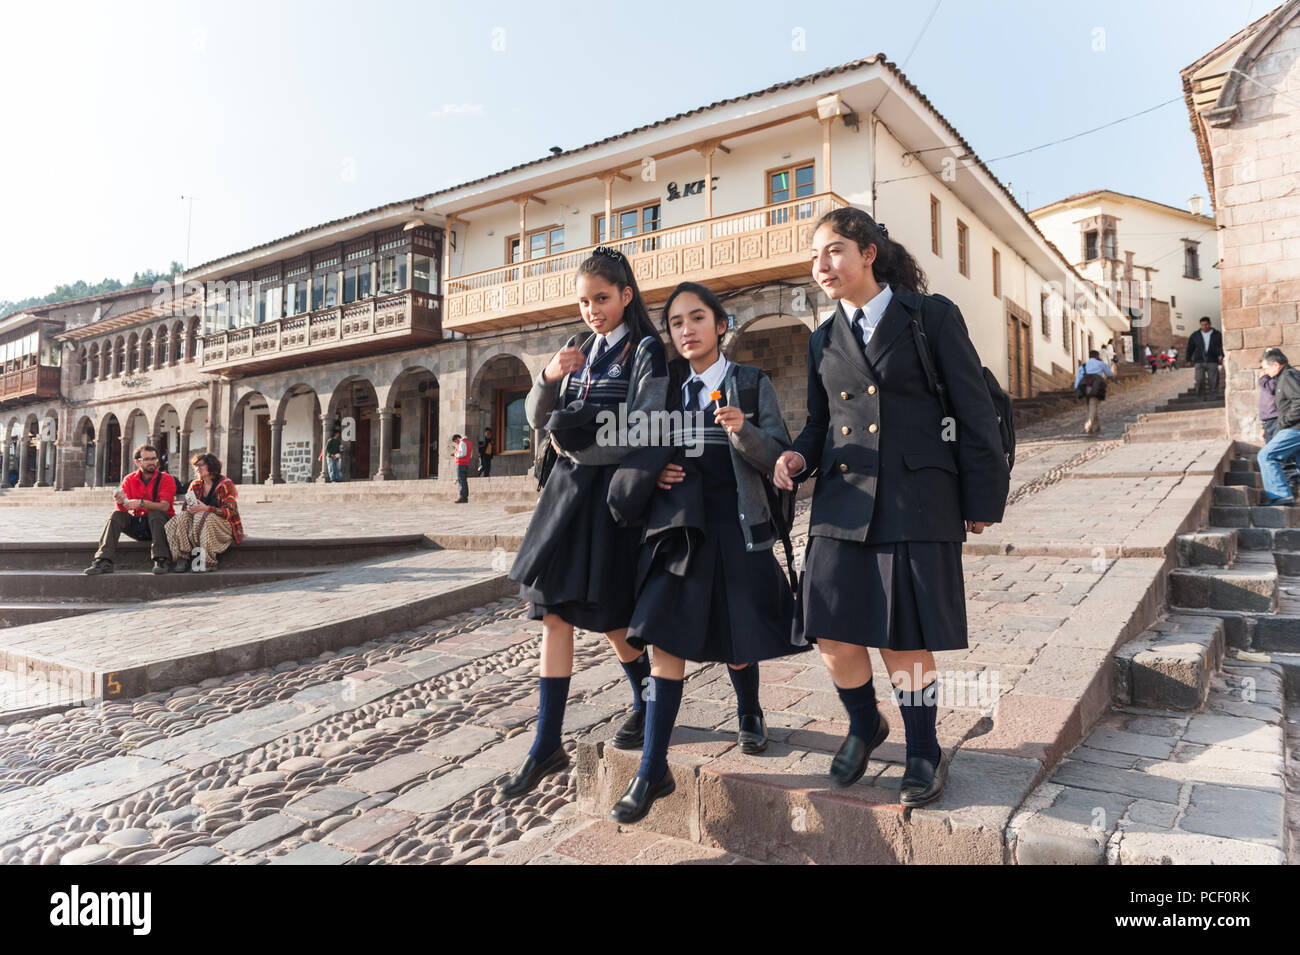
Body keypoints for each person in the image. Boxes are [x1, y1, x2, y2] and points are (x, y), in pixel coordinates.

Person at [772, 208, 1009, 808]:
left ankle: (923, 749)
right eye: (815, 256)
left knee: (903, 636)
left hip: (914, 497)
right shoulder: (822, 337)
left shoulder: (930, 317)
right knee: (827, 629)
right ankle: (864, 722)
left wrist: (981, 495)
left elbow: (975, 409)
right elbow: (821, 424)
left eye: (833, 252)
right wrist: (798, 459)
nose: (821, 265)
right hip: (843, 503)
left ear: (868, 253)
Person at [606, 281, 805, 822]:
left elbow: (782, 459)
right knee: (665, 640)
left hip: (737, 529)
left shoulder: (750, 381)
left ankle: (750, 709)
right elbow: (639, 443)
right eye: (676, 322)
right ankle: (652, 769)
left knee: (737, 639)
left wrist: (745, 433)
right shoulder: (667, 387)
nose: (686, 329)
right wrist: (658, 467)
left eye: (698, 318)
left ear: (721, 325)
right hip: (680, 532)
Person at [501, 245, 669, 800]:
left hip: (610, 497)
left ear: (625, 295)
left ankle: (647, 701)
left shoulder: (646, 350)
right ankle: (546, 743)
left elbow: (645, 424)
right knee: (553, 612)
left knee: (612, 613)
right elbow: (535, 418)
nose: (592, 310)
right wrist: (547, 376)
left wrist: (583, 447)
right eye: (583, 301)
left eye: (602, 298)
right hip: (564, 494)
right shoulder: (575, 349)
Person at [83, 444, 177, 575]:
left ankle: (162, 559)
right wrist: (120, 500)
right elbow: (122, 510)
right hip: (138, 525)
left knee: (156, 514)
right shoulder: (129, 479)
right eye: (147, 459)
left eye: (154, 459)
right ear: (137, 461)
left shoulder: (166, 479)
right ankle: (103, 560)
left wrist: (141, 503)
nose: (152, 462)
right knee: (115, 515)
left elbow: (165, 506)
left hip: (162, 526)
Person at [166, 453, 245, 572]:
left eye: (201, 465)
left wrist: (207, 508)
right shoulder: (196, 484)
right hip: (198, 526)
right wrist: (190, 509)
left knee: (202, 516)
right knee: (181, 517)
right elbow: (185, 508)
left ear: (211, 466)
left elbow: (229, 512)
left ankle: (208, 561)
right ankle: (183, 557)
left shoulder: (225, 485)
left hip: (223, 526)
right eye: (195, 466)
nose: (197, 468)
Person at [1258, 348, 1300, 504]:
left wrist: (1285, 422)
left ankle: (1281, 494)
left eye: (1266, 369)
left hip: (1295, 428)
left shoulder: (1288, 377)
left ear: (1275, 365)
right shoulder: (1286, 376)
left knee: (1266, 455)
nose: (1265, 372)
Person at [1075, 349, 1115, 435]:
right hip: (1096, 387)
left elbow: (1078, 378)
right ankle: (1088, 425)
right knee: (1093, 405)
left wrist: (1076, 389)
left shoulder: (1083, 366)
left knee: (1090, 406)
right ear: (1097, 356)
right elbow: (1109, 374)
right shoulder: (1100, 364)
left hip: (1085, 387)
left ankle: (1096, 427)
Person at [1186, 316, 1224, 397]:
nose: (1204, 327)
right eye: (1202, 325)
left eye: (1206, 325)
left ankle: (1213, 396)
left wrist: (1221, 354)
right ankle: (1200, 396)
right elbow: (1190, 347)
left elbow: (1221, 346)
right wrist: (1188, 359)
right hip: (1199, 361)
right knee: (1199, 379)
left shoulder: (1217, 334)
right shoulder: (1195, 335)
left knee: (1213, 380)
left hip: (1212, 360)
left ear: (1210, 324)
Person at [451, 434, 471, 502]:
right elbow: (470, 454)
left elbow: (463, 453)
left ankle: (463, 497)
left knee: (461, 481)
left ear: (457, 438)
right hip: (465, 463)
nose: (456, 443)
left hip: (461, 463)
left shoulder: (462, 443)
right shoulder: (468, 442)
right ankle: (464, 497)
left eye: (455, 441)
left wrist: (455, 454)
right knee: (463, 481)